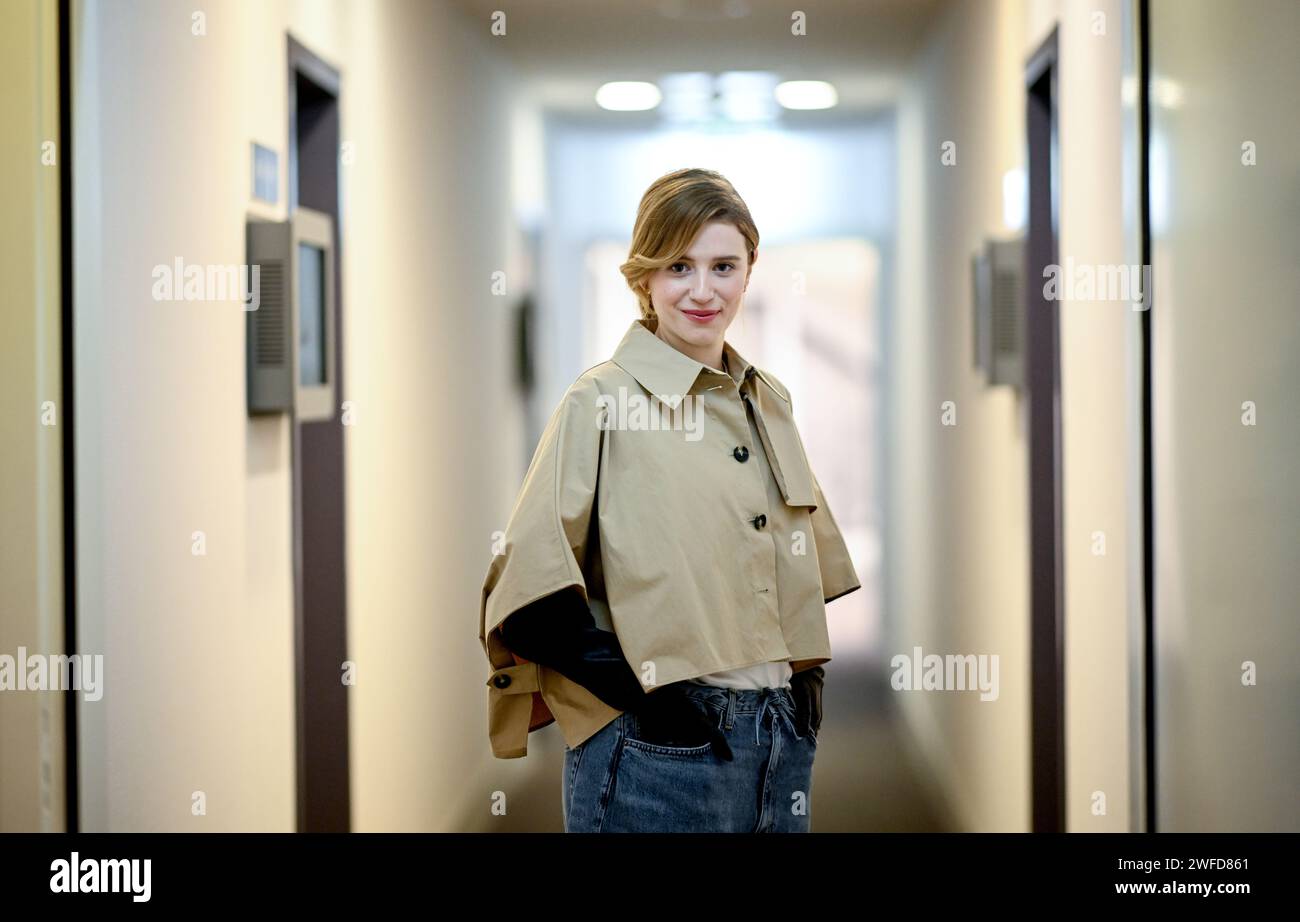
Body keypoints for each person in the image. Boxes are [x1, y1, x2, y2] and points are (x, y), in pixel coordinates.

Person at [478, 167, 860, 832]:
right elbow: (530, 601)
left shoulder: (767, 400)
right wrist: (649, 701)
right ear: (644, 277)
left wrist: (804, 684)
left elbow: (791, 558)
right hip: (656, 750)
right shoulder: (598, 402)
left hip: (777, 738)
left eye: (723, 266)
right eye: (680, 266)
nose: (703, 290)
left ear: (750, 269)